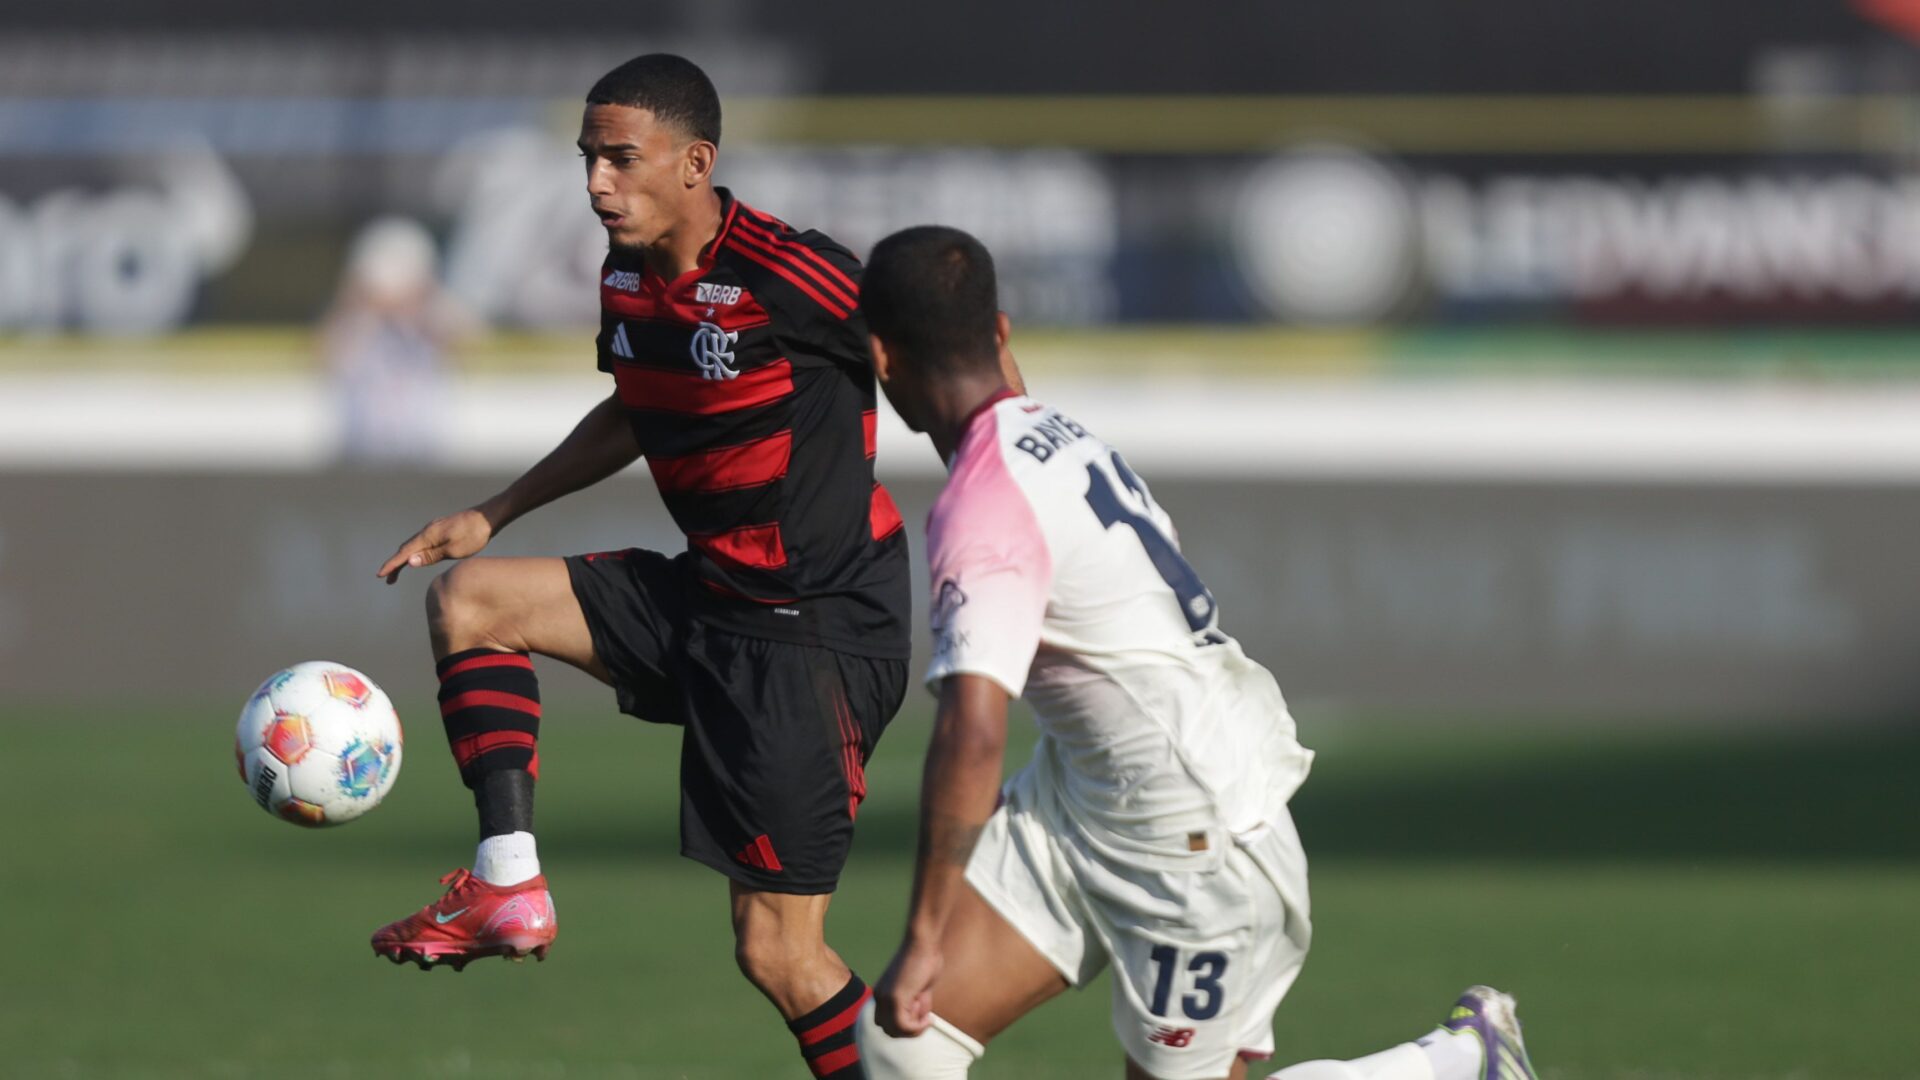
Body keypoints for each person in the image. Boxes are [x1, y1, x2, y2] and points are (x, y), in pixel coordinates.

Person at [850, 225, 1541, 1080]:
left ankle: (1453, 1064)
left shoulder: (984, 508)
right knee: (902, 1042)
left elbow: (974, 733)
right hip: (1082, 807)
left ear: (880, 358)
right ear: (1000, 332)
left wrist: (924, 934)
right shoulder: (1052, 432)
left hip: (1195, 836)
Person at [368, 54, 910, 1080]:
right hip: (710, 596)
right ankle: (509, 882)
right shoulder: (624, 278)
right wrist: (495, 510)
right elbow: (633, 405)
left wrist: (1008, 488)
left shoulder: (791, 272)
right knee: (472, 601)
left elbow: (926, 339)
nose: (596, 184)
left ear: (696, 162)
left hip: (813, 635)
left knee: (780, 956)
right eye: (586, 159)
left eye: (621, 159)